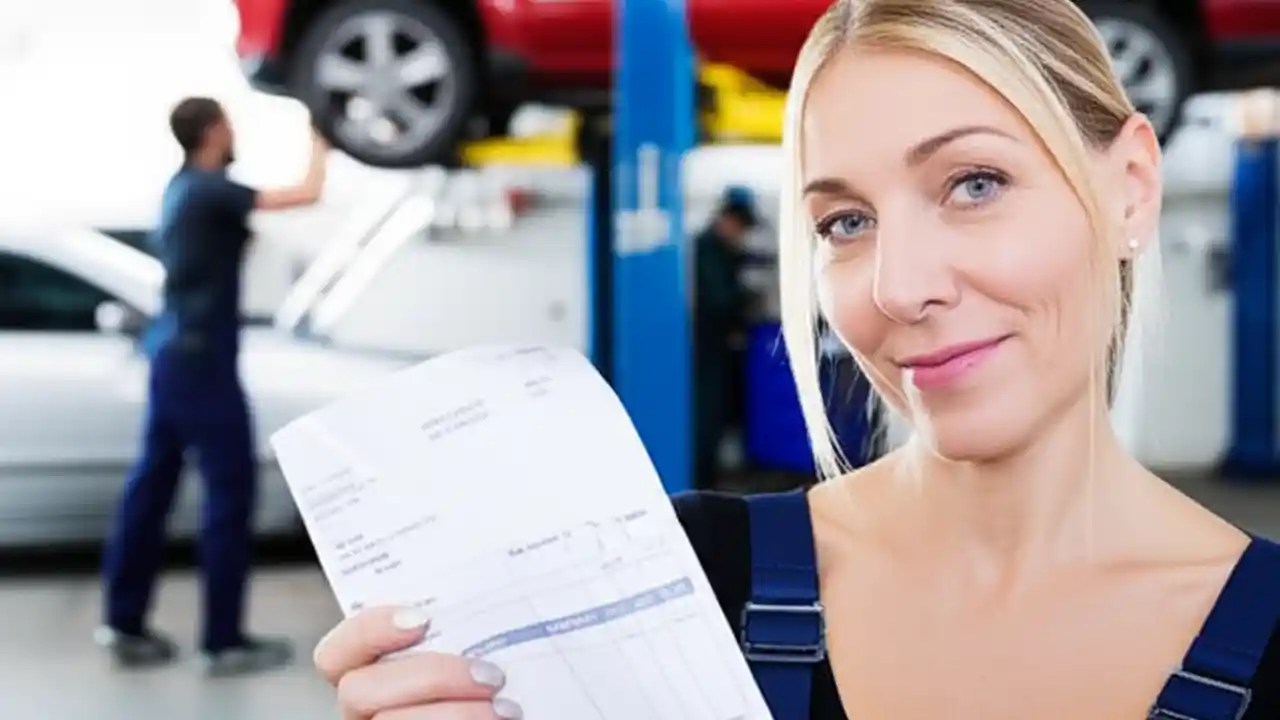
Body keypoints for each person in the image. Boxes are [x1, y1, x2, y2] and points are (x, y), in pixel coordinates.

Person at [307, 0, 1280, 717]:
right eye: (843, 221)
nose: (897, 286)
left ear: (1130, 189)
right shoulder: (686, 581)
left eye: (973, 183)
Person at [97, 97, 330, 676]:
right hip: (202, 364)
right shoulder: (209, 189)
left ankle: (123, 623)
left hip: (171, 356)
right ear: (210, 131)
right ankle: (223, 641)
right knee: (229, 492)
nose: (235, 132)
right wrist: (320, 136)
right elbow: (306, 193)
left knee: (151, 488)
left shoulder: (181, 191)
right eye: (228, 123)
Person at [694, 186, 763, 489]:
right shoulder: (708, 250)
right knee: (707, 418)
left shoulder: (721, 251)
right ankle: (702, 482)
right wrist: (746, 297)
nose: (742, 234)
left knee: (719, 415)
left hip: (716, 351)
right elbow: (720, 300)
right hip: (706, 352)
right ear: (728, 220)